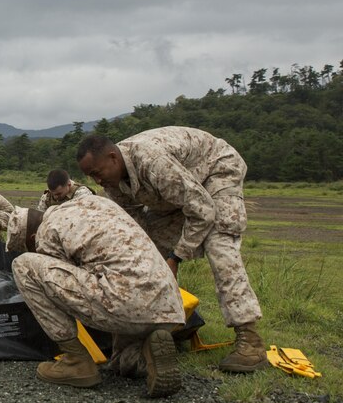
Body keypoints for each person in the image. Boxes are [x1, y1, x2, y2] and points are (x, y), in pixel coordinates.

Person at [76, 128, 268, 373]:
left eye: (97, 173)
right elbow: (136, 232)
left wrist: (176, 257)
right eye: (91, 177)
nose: (97, 182)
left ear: (113, 158)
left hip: (214, 171)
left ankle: (250, 341)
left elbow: (203, 211)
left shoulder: (152, 161)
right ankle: (143, 338)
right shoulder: (113, 184)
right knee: (145, 256)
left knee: (220, 245)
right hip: (179, 191)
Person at [6, 200, 185, 397]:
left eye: (30, 246)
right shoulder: (90, 203)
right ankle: (147, 350)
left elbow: (61, 290)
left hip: (127, 301)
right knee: (122, 365)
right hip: (170, 306)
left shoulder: (46, 232)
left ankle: (75, 361)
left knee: (23, 265)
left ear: (32, 236)